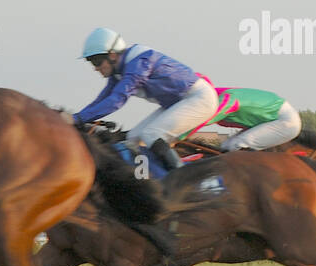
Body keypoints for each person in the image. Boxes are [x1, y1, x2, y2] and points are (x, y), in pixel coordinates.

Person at [74, 27, 218, 169]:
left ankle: (181, 178)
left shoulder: (140, 62)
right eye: (91, 62)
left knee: (152, 134)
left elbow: (116, 100)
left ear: (112, 55)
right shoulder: (118, 72)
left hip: (200, 98)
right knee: (133, 140)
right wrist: (75, 117)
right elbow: (101, 100)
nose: (95, 68)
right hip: (180, 102)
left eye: (97, 61)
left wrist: (78, 119)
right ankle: (154, 177)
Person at [193, 86, 302, 151]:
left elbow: (198, 121)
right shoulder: (215, 96)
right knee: (225, 146)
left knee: (235, 145)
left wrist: (177, 136)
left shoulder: (226, 99)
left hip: (285, 121)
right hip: (275, 117)